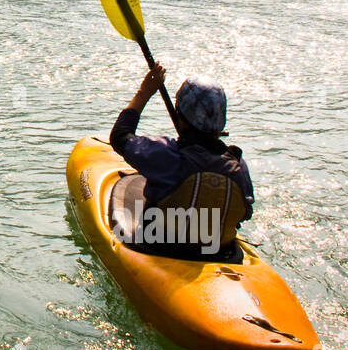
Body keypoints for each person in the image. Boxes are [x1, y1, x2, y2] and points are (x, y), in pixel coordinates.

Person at [109, 66, 254, 262]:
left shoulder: (167, 156)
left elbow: (120, 137)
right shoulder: (237, 166)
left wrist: (144, 91)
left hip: (160, 247)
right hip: (219, 253)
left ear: (180, 117)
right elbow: (245, 214)